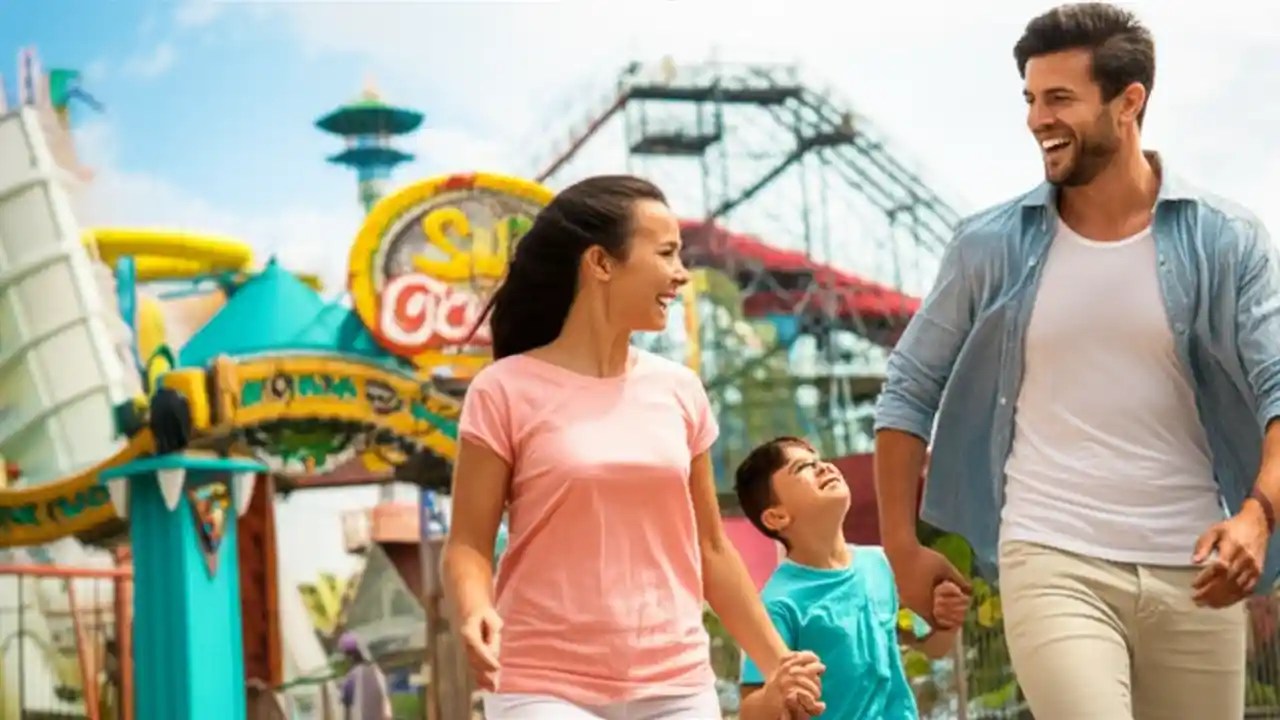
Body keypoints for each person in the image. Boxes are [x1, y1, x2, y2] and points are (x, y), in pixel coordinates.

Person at [873, 3, 1280, 718]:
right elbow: (908, 391)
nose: (1037, 118)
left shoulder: (1227, 241)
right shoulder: (987, 246)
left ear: (1129, 103)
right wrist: (901, 547)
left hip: (1195, 568)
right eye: (1030, 99)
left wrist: (1256, 515)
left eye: (1059, 98)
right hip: (1052, 553)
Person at [443, 175, 825, 719]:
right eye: (667, 253)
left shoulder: (680, 390)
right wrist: (474, 606)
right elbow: (468, 544)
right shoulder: (504, 390)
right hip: (541, 682)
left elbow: (711, 550)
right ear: (601, 262)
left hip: (675, 681)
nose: (682, 274)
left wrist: (778, 662)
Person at [734, 437, 968, 719]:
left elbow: (931, 644)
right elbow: (749, 709)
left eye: (819, 460)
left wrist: (946, 621)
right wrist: (774, 695)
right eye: (802, 468)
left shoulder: (882, 564)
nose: (823, 468)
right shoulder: (777, 603)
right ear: (776, 517)